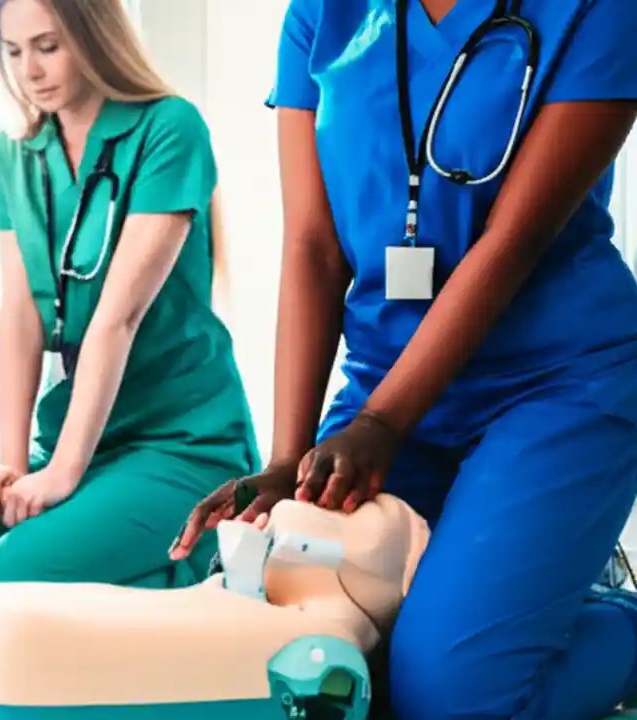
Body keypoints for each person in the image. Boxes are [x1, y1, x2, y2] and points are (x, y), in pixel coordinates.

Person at [170, 0, 637, 717]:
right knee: (305, 647)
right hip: (385, 385)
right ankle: (532, 594)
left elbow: (513, 240)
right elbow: (314, 246)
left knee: (447, 696)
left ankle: (612, 622)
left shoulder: (597, 10)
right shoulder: (321, 15)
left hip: (557, 385)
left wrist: (383, 422)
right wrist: (286, 457)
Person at [0, 0, 258, 588]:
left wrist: (64, 473)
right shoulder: (16, 151)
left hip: (178, 440)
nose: (28, 70)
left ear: (95, 35)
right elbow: (20, 316)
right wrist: (11, 462)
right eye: (12, 52)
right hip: (68, 432)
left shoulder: (170, 127)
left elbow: (119, 317)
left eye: (47, 46)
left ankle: (197, 572)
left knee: (4, 579)